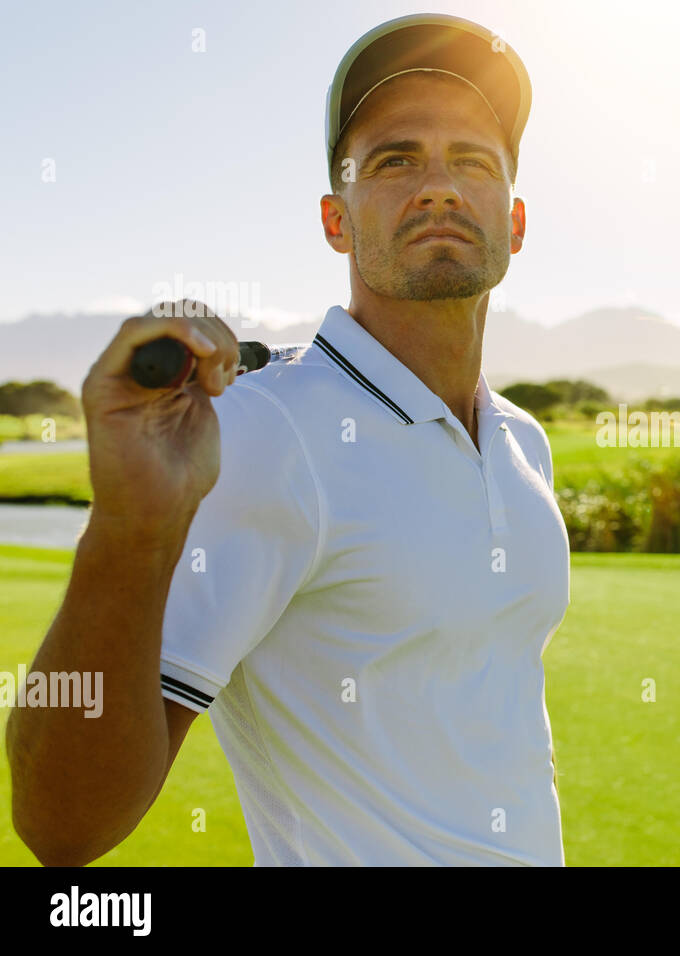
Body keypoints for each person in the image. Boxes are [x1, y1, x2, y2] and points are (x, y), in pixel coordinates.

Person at [7, 14, 571, 866]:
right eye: (394, 159)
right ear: (335, 220)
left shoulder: (523, 440)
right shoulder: (263, 431)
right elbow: (61, 826)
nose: (439, 186)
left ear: (516, 221)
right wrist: (130, 527)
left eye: (472, 161)